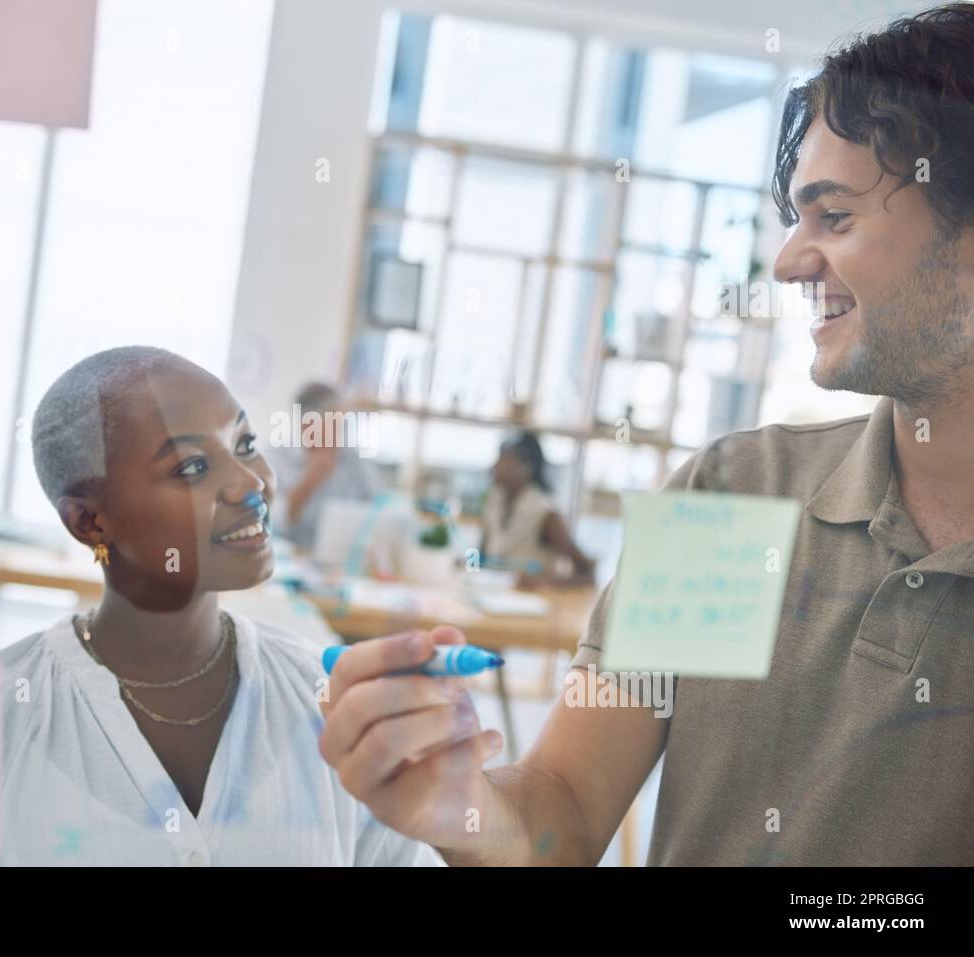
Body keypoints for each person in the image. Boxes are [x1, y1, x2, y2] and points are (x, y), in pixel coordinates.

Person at [317, 3, 974, 866]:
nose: (786, 261)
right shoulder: (735, 500)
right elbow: (569, 805)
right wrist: (464, 807)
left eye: (835, 216)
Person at [0, 348, 444, 865]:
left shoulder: (333, 706)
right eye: (192, 469)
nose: (250, 484)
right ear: (90, 521)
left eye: (246, 445)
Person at [269, 382, 378, 551]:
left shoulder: (353, 460)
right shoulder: (277, 457)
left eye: (343, 424)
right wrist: (309, 482)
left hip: (341, 560)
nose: (341, 433)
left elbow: (378, 512)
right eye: (335, 425)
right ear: (307, 426)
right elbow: (271, 524)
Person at [480, 432, 594, 584]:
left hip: (531, 602)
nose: (496, 466)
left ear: (525, 467)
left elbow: (587, 573)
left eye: (504, 460)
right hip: (492, 593)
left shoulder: (545, 512)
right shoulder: (495, 501)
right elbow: (483, 553)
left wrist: (544, 582)